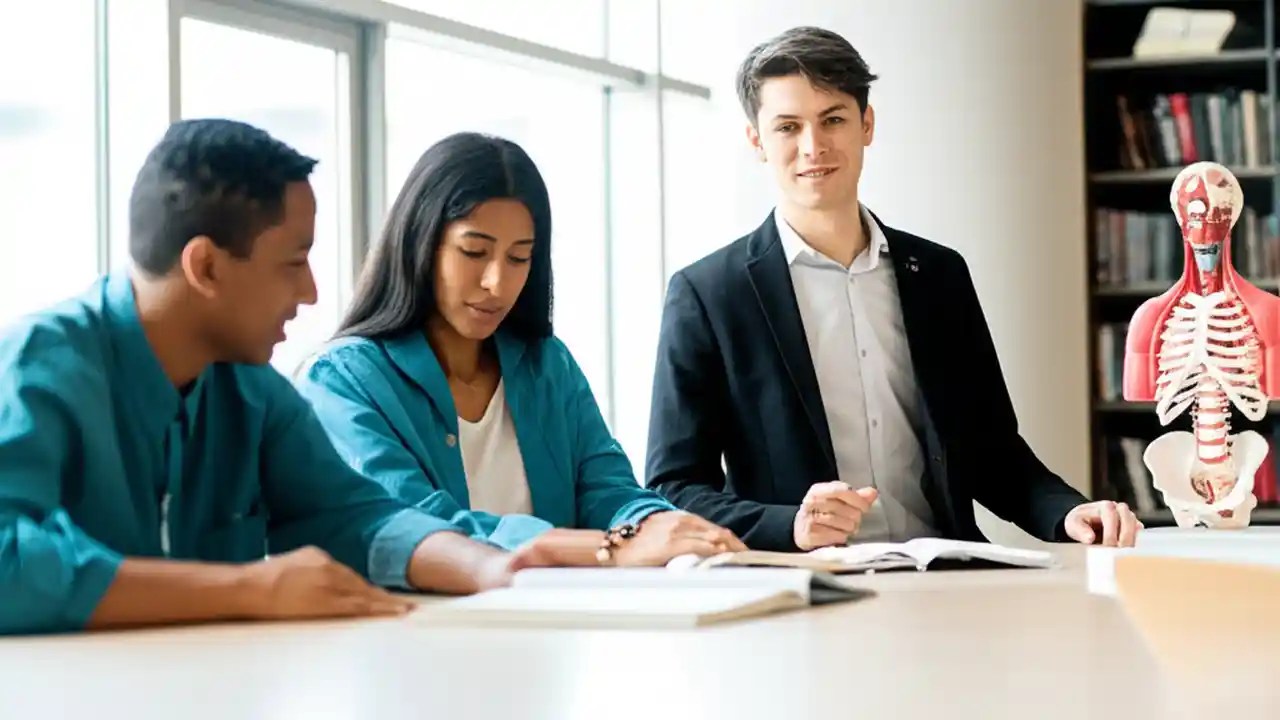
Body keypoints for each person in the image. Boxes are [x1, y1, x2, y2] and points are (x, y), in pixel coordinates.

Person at [0, 119, 550, 636]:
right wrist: (246, 589)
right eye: (294, 262)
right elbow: (8, 558)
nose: (310, 292)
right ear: (207, 267)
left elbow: (352, 514)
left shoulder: (253, 389)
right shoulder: (38, 366)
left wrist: (491, 569)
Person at [645, 26, 1142, 552]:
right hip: (803, 588)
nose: (812, 146)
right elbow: (673, 486)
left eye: (832, 119)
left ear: (867, 124)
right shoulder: (708, 294)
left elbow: (992, 452)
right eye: (788, 127)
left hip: (946, 579)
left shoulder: (939, 274)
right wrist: (788, 525)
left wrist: (1067, 512)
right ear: (757, 142)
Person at [294, 132, 744, 567]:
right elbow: (417, 528)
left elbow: (609, 490)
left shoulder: (547, 364)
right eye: (474, 252)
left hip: (551, 631)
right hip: (414, 635)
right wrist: (607, 548)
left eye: (519, 258)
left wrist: (660, 528)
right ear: (420, 244)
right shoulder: (342, 380)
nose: (496, 283)